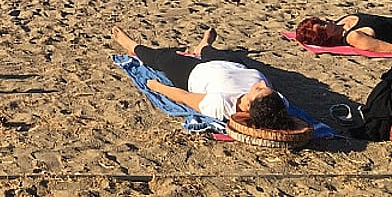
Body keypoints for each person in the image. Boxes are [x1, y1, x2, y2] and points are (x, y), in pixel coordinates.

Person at [113, 25, 295, 129]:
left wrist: (157, 87)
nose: (261, 83)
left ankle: (131, 44)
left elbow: (184, 97)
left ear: (247, 106)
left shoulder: (221, 104)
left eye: (259, 89)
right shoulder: (278, 102)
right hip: (234, 65)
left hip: (194, 72)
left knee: (162, 58)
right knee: (210, 52)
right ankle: (203, 46)